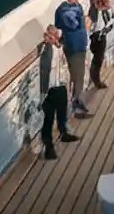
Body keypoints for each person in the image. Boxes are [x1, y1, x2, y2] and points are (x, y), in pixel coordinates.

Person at [37, 25, 80, 160]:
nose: (54, 37)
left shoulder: (60, 47)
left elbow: (66, 48)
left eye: (55, 34)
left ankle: (63, 132)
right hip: (48, 89)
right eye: (51, 35)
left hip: (60, 85)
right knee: (48, 119)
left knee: (62, 112)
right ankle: (48, 146)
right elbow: (41, 54)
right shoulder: (44, 48)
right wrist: (46, 42)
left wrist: (56, 42)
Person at [54, 0, 90, 117]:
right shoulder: (67, 11)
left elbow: (59, 25)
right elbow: (74, 24)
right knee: (77, 76)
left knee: (78, 75)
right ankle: (76, 105)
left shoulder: (73, 7)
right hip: (74, 46)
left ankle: (78, 101)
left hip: (77, 44)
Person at [87, 0, 114, 89]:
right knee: (97, 60)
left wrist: (107, 8)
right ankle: (96, 81)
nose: (100, 3)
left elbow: (110, 21)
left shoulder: (105, 10)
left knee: (98, 59)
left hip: (101, 36)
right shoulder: (94, 12)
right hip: (96, 38)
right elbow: (93, 26)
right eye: (97, 1)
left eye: (101, 0)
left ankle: (95, 79)